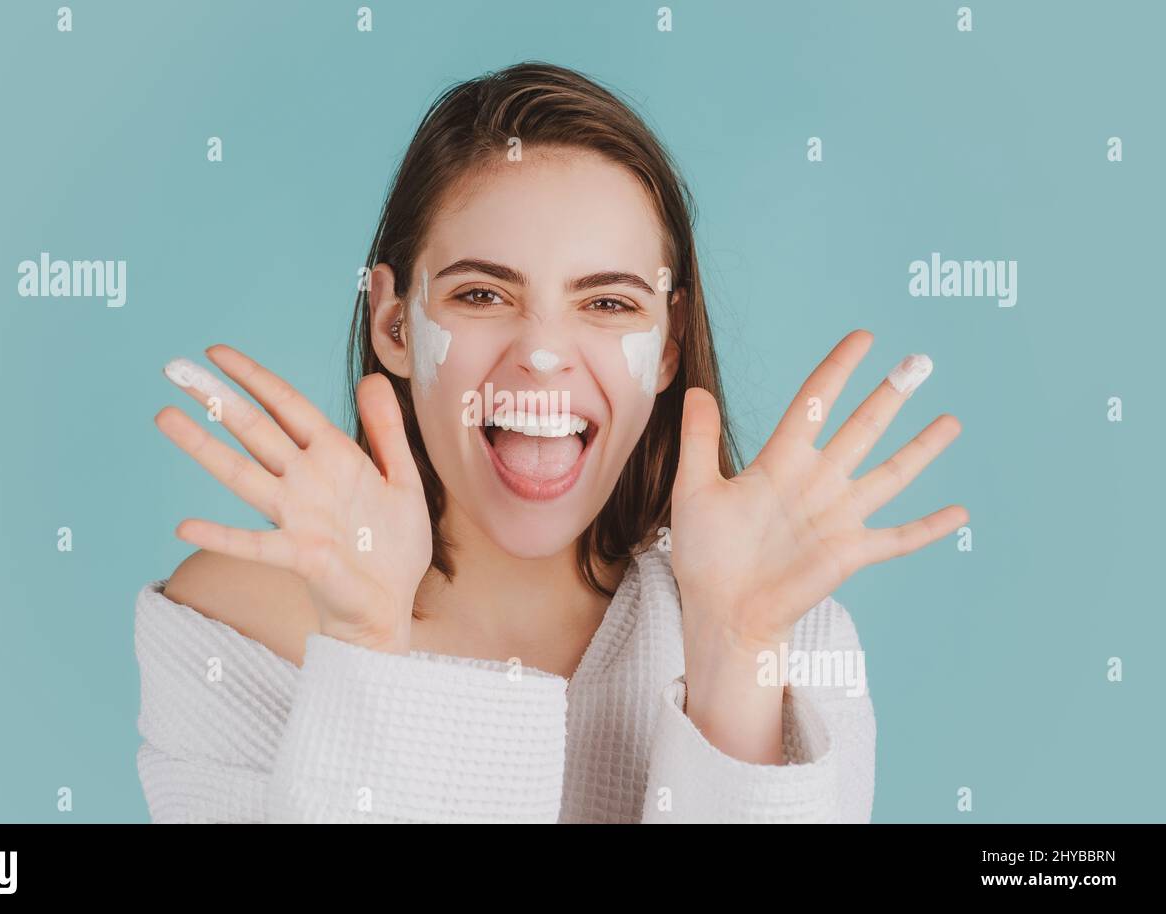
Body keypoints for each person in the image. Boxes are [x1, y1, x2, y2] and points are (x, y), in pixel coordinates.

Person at [134, 61, 965, 823]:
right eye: (482, 294)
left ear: (669, 345)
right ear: (394, 323)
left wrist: (734, 654)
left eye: (607, 304)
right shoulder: (235, 625)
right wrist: (366, 651)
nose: (541, 352)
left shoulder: (790, 634)